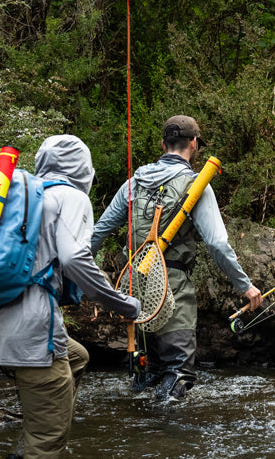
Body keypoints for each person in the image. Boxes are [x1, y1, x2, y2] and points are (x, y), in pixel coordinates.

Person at [0, 135, 141, 459]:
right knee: (51, 435)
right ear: (83, 169)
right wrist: (122, 303)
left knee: (77, 357)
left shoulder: (23, 196)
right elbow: (74, 258)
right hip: (32, 329)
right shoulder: (72, 197)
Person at [91, 115, 262, 401]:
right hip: (174, 290)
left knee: (145, 373)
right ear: (194, 144)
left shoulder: (133, 183)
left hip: (134, 290)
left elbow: (97, 234)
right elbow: (218, 244)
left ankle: (138, 438)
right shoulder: (197, 185)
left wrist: (83, 280)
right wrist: (244, 285)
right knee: (177, 374)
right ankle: (168, 441)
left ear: (163, 144)